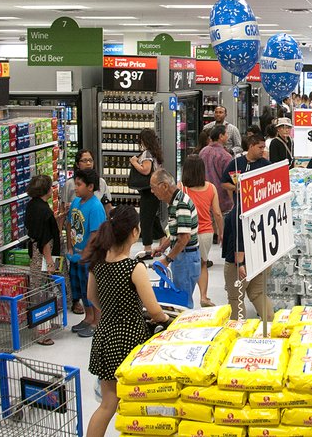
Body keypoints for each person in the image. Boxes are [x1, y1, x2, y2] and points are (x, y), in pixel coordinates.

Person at [84, 206, 172, 437]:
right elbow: (154, 311)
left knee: (107, 404)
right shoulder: (134, 268)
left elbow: (92, 297)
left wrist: (112, 310)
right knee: (136, 402)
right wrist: (169, 319)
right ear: (134, 232)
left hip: (105, 337)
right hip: (129, 341)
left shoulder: (98, 263)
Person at [221, 134, 272, 320]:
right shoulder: (235, 164)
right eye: (260, 147)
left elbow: (238, 238)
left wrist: (240, 260)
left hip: (252, 240)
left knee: (236, 296)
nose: (263, 150)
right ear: (250, 146)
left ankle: (236, 333)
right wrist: (237, 188)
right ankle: (270, 326)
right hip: (260, 242)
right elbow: (224, 181)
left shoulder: (266, 166)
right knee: (258, 293)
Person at [150, 169, 201, 308]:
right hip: (183, 257)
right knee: (179, 300)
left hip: (186, 259)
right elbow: (176, 233)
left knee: (183, 304)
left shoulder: (181, 204)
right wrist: (162, 248)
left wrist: (167, 260)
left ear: (164, 186)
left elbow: (184, 238)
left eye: (153, 188)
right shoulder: (175, 202)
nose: (152, 192)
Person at [67, 168, 107, 338]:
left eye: (79, 184)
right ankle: (88, 317)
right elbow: (70, 223)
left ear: (90, 187)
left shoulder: (96, 207)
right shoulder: (76, 202)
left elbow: (95, 234)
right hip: (76, 256)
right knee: (81, 289)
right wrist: (70, 247)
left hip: (90, 258)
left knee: (92, 290)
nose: (75, 188)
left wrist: (86, 253)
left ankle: (97, 320)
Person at [180, 155, 223, 308]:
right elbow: (217, 213)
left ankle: (186, 298)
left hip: (187, 231)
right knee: (203, 264)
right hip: (206, 232)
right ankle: (203, 296)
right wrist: (221, 233)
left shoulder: (182, 188)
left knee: (186, 265)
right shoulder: (211, 187)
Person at [25, 174, 62, 346]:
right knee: (44, 292)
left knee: (37, 289)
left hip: (34, 253)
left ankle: (40, 327)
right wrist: (50, 263)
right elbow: (46, 240)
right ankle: (43, 333)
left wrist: (59, 219)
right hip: (45, 255)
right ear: (47, 189)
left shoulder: (32, 206)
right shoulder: (44, 209)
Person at [130, 128, 165, 253]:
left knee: (145, 219)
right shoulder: (156, 153)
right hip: (155, 189)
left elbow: (145, 170)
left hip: (148, 190)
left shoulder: (147, 154)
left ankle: (147, 248)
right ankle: (163, 239)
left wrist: (134, 162)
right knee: (152, 216)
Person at [61, 149, 112, 215]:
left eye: (90, 160)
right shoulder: (69, 184)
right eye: (84, 161)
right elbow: (62, 207)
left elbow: (107, 206)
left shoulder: (101, 182)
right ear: (77, 164)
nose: (88, 163)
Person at [199, 125, 235, 214]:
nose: (228, 136)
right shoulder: (226, 156)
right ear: (221, 136)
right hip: (222, 202)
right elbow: (230, 182)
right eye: (226, 134)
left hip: (204, 200)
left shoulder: (203, 152)